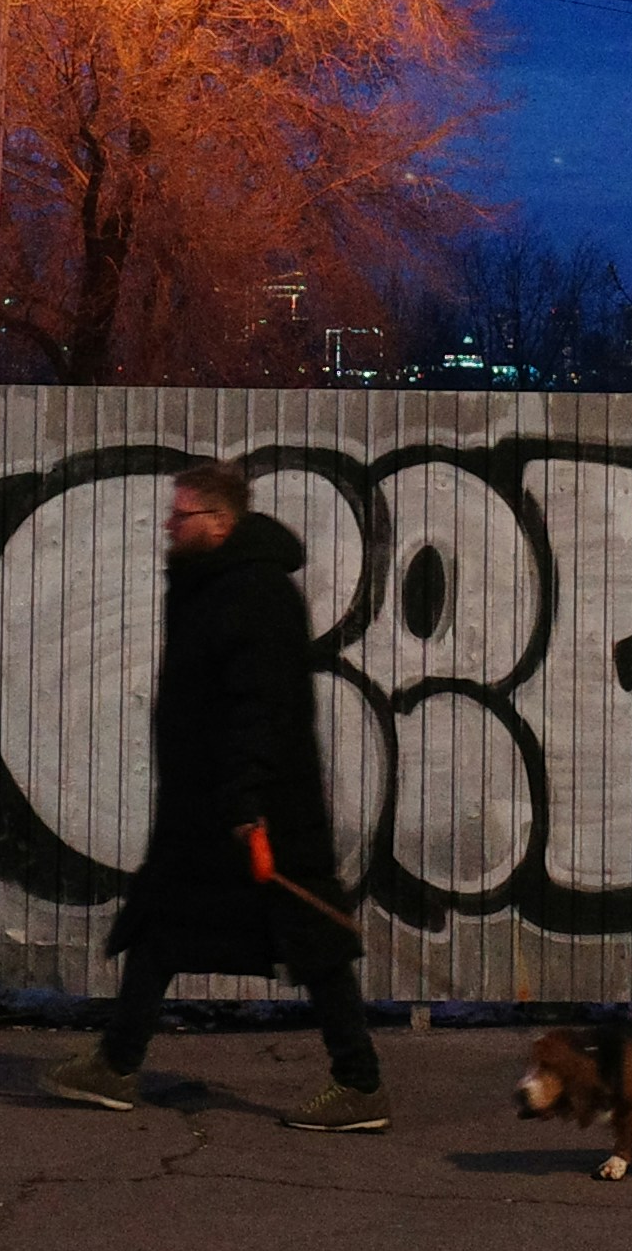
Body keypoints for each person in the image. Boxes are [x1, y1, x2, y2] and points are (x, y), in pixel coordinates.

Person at [44, 459, 386, 1129]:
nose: (170, 525)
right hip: (210, 807)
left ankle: (363, 1084)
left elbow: (261, 707)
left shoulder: (252, 593)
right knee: (165, 929)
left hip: (255, 808)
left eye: (183, 515)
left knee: (312, 939)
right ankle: (116, 1064)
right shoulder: (214, 586)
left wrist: (245, 803)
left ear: (221, 523)